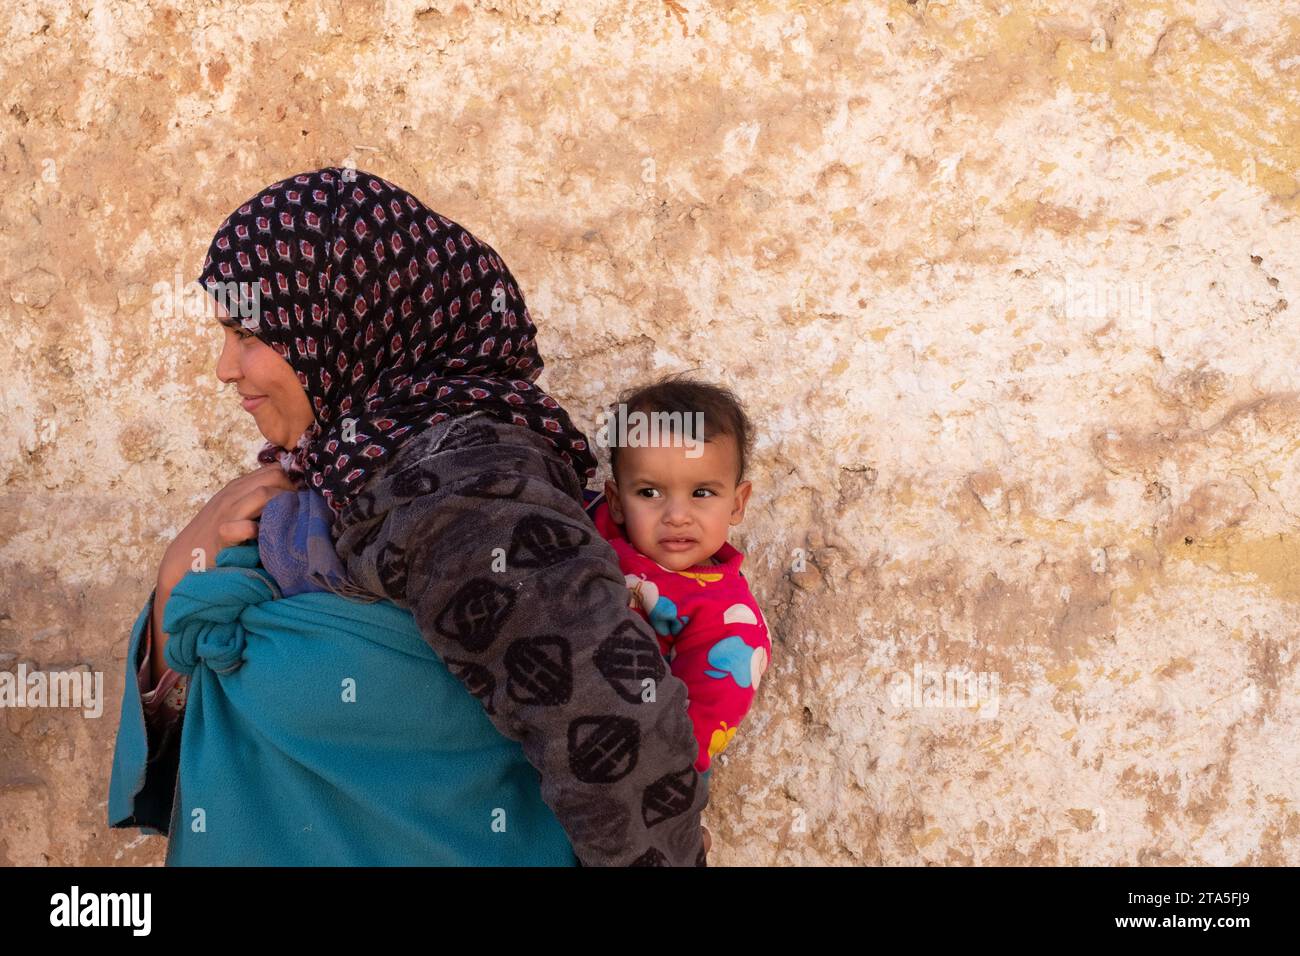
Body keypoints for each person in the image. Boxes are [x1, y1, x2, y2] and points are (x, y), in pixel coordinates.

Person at [108, 166, 710, 865]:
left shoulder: (464, 488)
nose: (224, 368)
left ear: (344, 321)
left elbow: (611, 727)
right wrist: (182, 565)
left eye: (249, 334)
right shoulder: (337, 477)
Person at [583, 375, 772, 776]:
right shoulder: (594, 524)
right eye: (649, 493)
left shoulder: (729, 621)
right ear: (617, 501)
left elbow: (695, 733)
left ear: (737, 504)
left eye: (702, 493)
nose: (676, 516)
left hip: (641, 762)